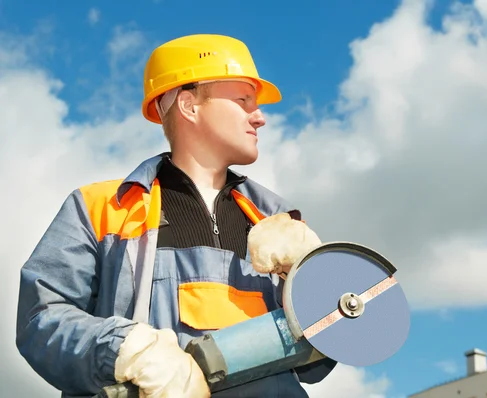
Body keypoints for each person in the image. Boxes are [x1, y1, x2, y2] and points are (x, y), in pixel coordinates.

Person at [16, 34, 336, 398]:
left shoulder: (277, 220)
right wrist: (125, 351)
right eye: (243, 100)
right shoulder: (100, 208)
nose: (259, 116)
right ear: (189, 105)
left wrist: (315, 282)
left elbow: (318, 363)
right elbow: (41, 318)